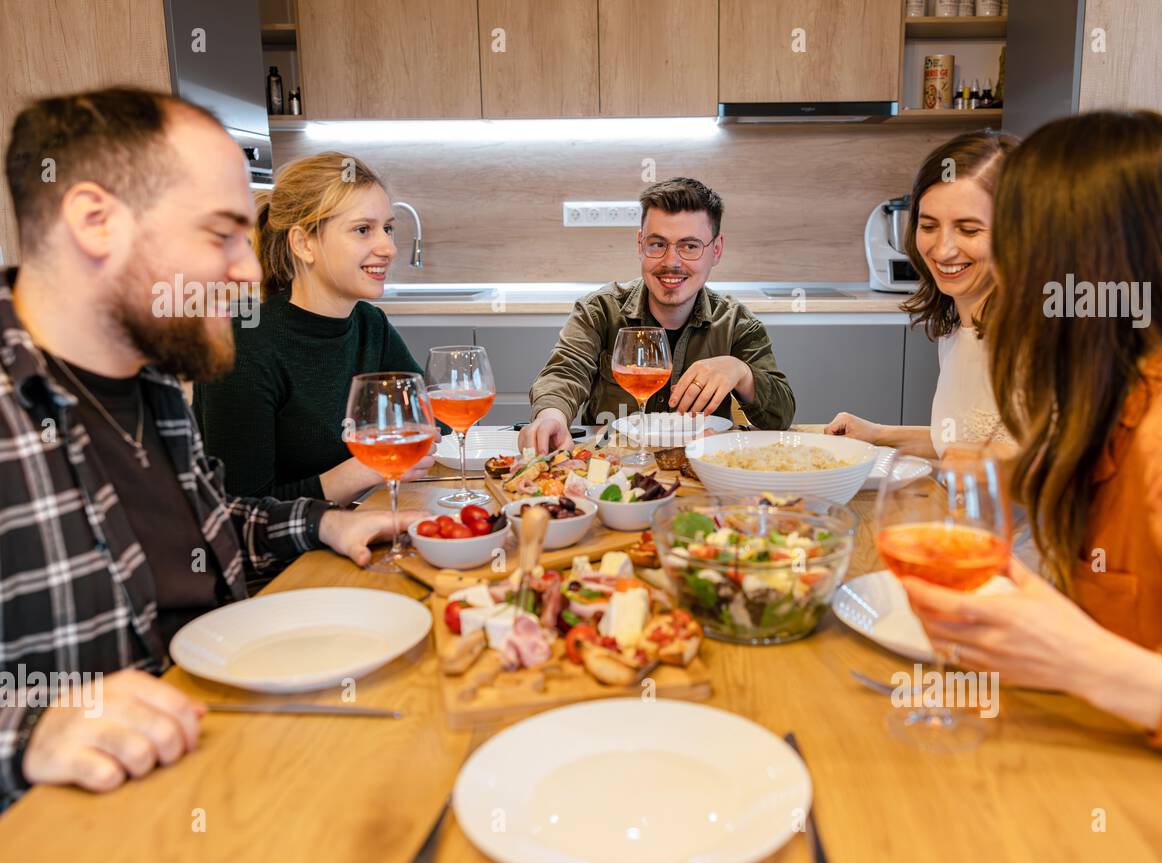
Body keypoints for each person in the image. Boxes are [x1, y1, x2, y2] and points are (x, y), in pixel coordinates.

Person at [0, 87, 422, 807]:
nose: (250, 271)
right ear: (95, 221)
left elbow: (214, 527)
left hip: (223, 769)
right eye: (219, 233)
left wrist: (320, 520)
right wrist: (27, 730)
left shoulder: (155, 380)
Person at [899, 110, 1162, 830]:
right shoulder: (1123, 391)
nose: (987, 266)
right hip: (1137, 766)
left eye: (1007, 236)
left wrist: (1084, 660)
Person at [193, 151, 427, 502]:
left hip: (351, 529)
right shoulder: (243, 346)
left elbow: (428, 422)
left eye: (388, 228)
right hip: (283, 556)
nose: (389, 247)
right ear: (303, 243)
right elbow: (240, 512)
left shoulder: (369, 325)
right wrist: (363, 469)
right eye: (363, 230)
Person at [521, 177, 795, 453]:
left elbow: (782, 415)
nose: (671, 262)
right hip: (612, 473)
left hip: (702, 473)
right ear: (640, 245)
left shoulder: (738, 323)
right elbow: (565, 372)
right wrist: (551, 417)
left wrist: (742, 372)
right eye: (657, 244)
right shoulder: (598, 310)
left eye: (690, 246)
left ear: (716, 249)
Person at [827, 130, 1018, 459]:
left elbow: (1059, 469)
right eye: (928, 226)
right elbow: (961, 440)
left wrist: (975, 465)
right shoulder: (957, 326)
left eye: (969, 229)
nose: (943, 250)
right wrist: (877, 434)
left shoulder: (1038, 336)